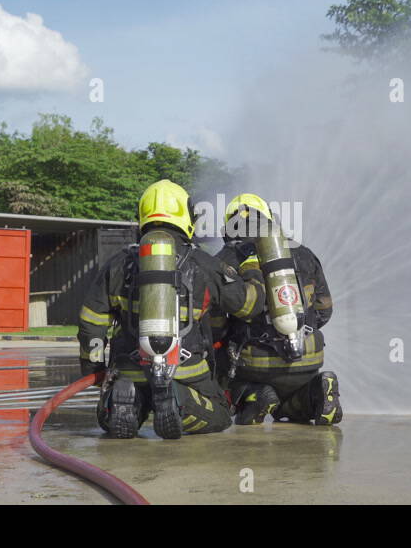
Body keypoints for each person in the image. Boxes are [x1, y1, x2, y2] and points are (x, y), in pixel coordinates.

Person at [77, 180, 264, 439]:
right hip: (185, 370)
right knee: (221, 412)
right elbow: (249, 305)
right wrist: (253, 269)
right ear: (186, 216)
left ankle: (126, 404)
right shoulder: (203, 263)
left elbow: (91, 323)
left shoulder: (119, 263)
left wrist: (95, 371)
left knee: (114, 409)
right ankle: (177, 399)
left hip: (130, 368)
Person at [212, 193, 341, 426]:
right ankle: (317, 391)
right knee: (288, 406)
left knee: (214, 354)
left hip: (253, 364)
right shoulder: (304, 252)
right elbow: (324, 309)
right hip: (307, 357)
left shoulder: (225, 257)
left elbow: (214, 322)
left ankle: (251, 397)